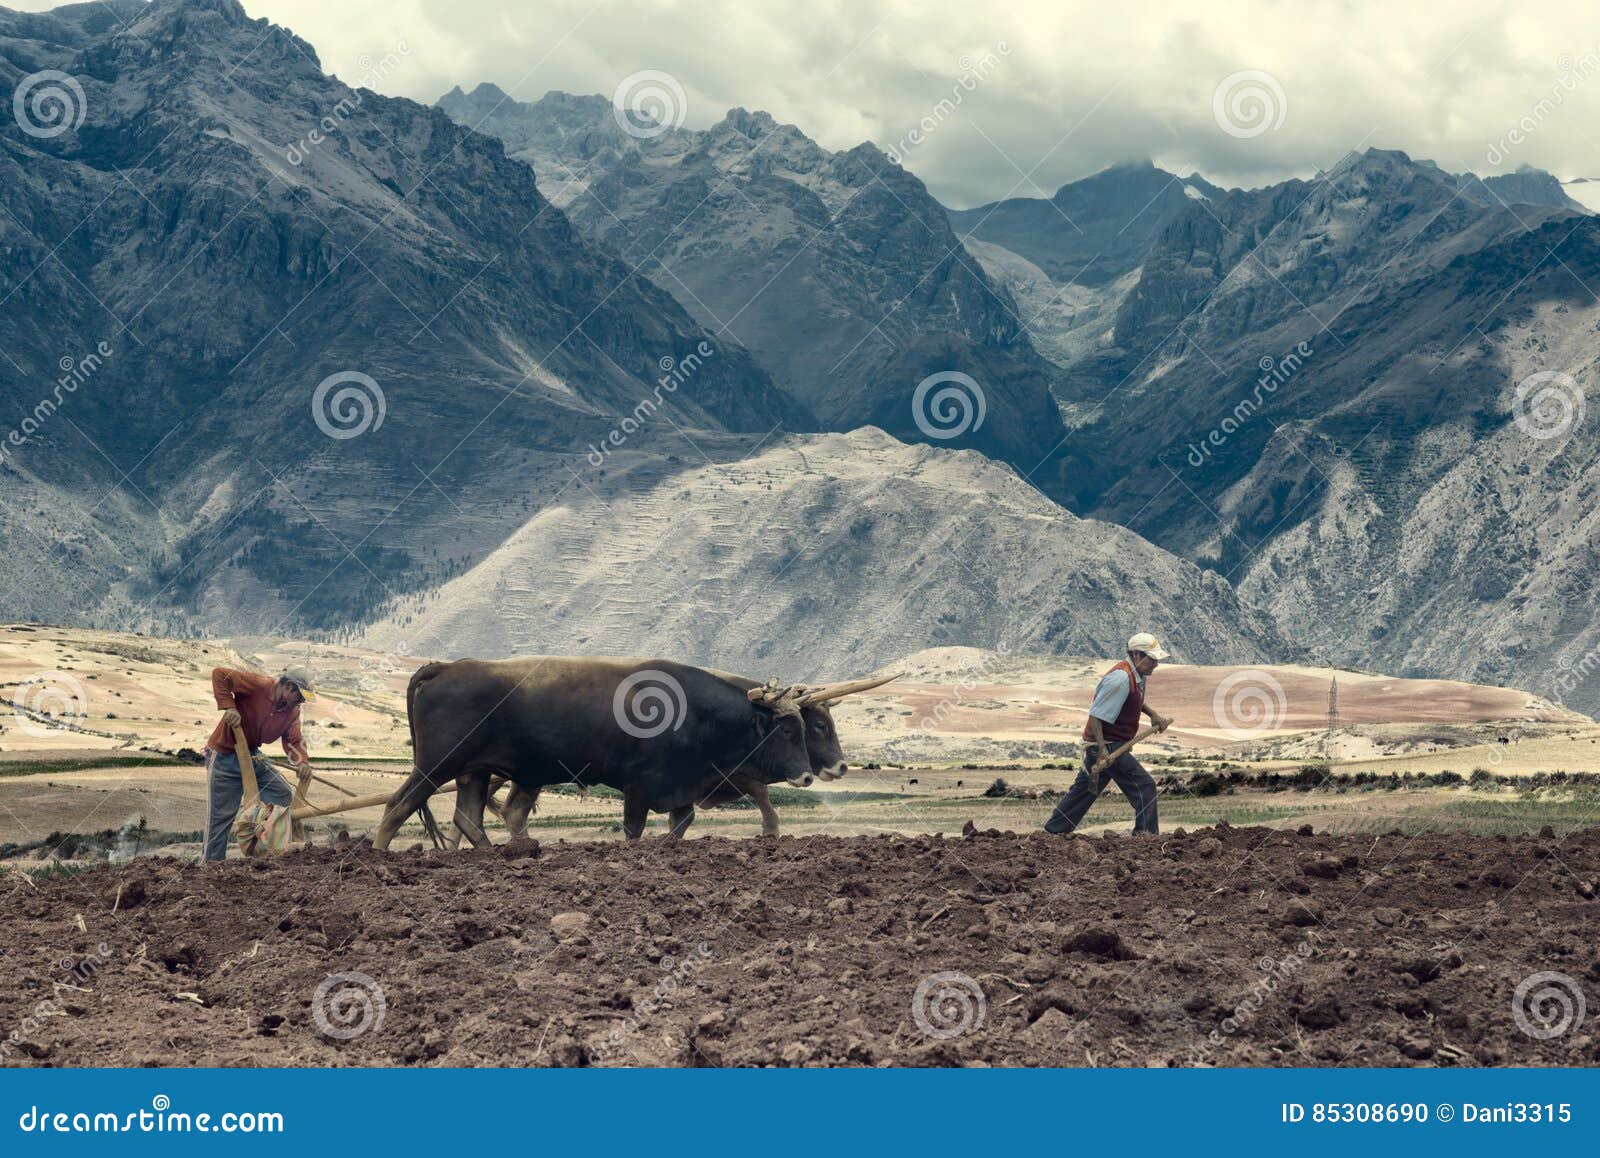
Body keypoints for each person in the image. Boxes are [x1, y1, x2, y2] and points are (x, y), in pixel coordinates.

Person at [1044, 633, 1173, 836]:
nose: (1156, 664)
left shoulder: (1137, 676)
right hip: (1108, 745)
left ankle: (1054, 832)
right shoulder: (1120, 679)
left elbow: (1132, 700)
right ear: (1137, 655)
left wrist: (1153, 715)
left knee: (1085, 790)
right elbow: (1096, 716)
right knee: (1145, 786)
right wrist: (1103, 749)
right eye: (1152, 659)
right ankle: (1146, 837)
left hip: (1110, 744)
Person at [201, 666, 316, 862]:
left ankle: (271, 849)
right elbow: (220, 674)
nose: (300, 703)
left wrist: (302, 762)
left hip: (253, 756)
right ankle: (211, 867)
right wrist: (229, 707)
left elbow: (294, 740)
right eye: (299, 698)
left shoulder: (292, 712)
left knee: (282, 795)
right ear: (289, 687)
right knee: (220, 819)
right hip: (224, 755)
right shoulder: (258, 684)